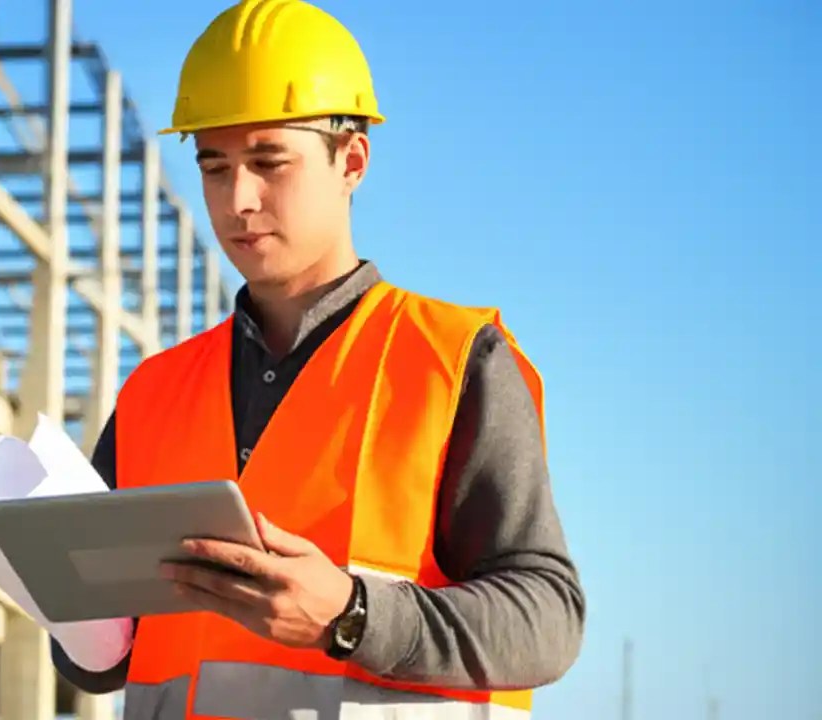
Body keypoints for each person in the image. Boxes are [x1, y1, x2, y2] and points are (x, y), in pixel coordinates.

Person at [52, 0, 585, 717]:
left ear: (352, 160)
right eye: (214, 166)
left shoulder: (453, 361)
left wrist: (354, 615)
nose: (238, 199)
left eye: (269, 161)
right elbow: (101, 664)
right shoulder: (154, 392)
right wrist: (65, 603)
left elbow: (547, 620)